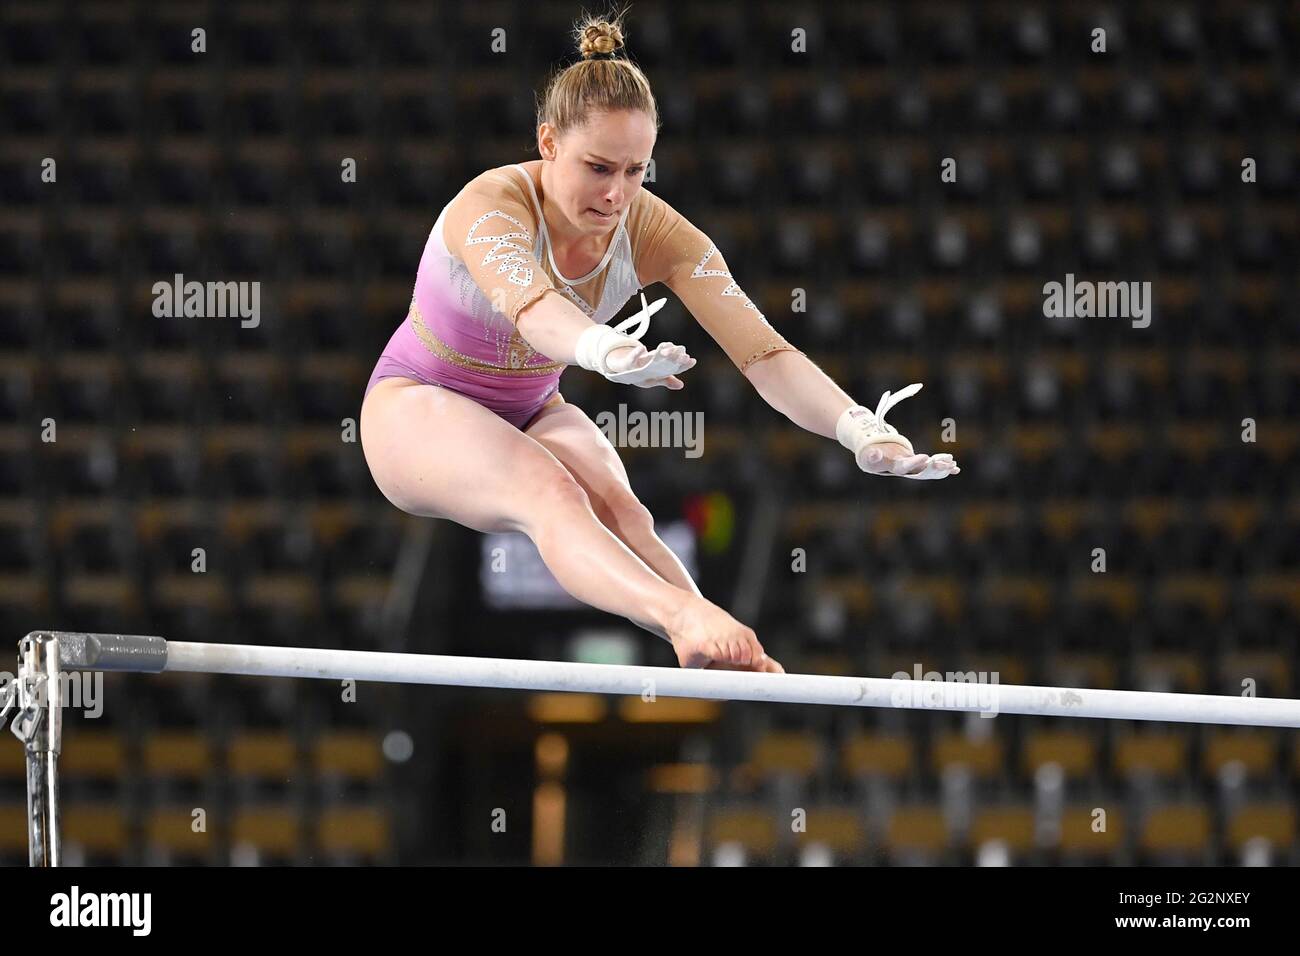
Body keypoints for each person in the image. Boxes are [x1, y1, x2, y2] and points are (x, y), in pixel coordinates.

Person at [360, 11, 958, 674]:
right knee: (550, 489)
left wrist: (857, 429)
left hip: (529, 407)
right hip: (416, 404)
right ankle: (684, 617)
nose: (616, 194)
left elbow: (766, 356)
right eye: (597, 167)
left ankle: (707, 642)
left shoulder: (659, 234)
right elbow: (534, 312)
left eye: (636, 170)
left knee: (624, 512)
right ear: (548, 141)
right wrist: (604, 350)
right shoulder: (493, 205)